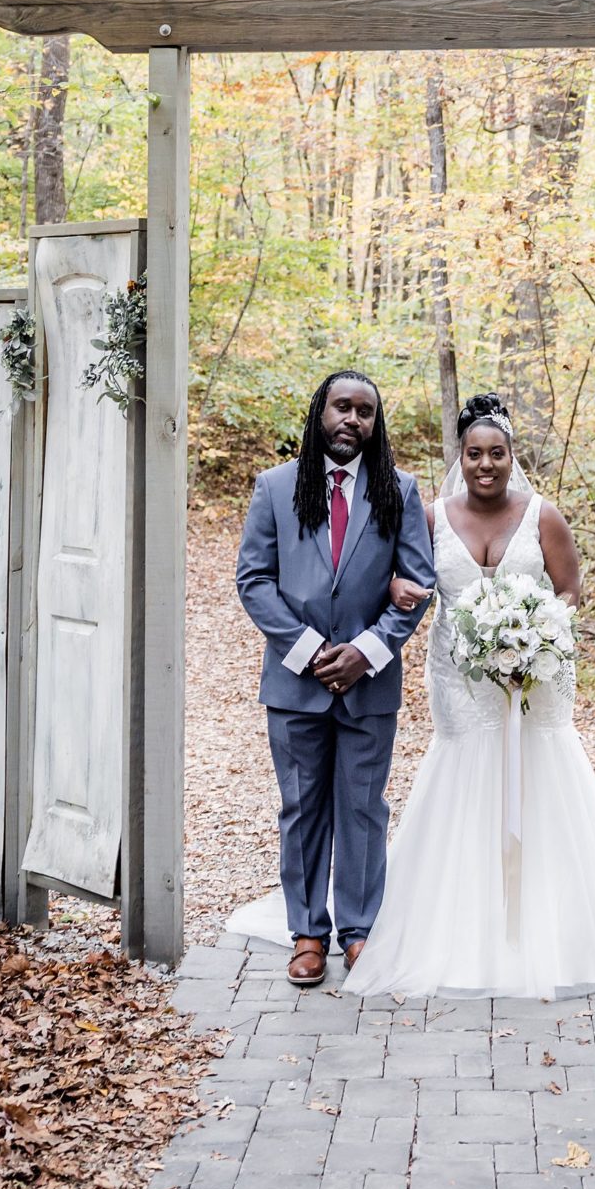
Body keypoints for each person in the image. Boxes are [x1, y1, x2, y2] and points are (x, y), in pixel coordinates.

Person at [343, 392, 595, 998]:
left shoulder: (543, 516)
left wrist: (535, 639)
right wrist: (399, 583)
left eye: (497, 454)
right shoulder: (428, 517)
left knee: (539, 774)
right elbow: (402, 579)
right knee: (465, 774)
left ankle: (550, 924)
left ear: (512, 456)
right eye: (474, 454)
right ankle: (463, 922)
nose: (486, 465)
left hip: (536, 676)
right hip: (459, 681)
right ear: (461, 456)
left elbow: (570, 591)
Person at [232, 370, 435, 986]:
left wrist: (368, 650)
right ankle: (307, 933)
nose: (353, 419)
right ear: (320, 412)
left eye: (366, 412)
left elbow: (416, 586)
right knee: (302, 809)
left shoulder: (400, 490)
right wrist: (314, 649)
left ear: (376, 424)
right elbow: (254, 581)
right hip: (297, 685)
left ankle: (360, 931)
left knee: (364, 809)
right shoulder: (275, 489)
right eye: (342, 407)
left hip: (369, 683)